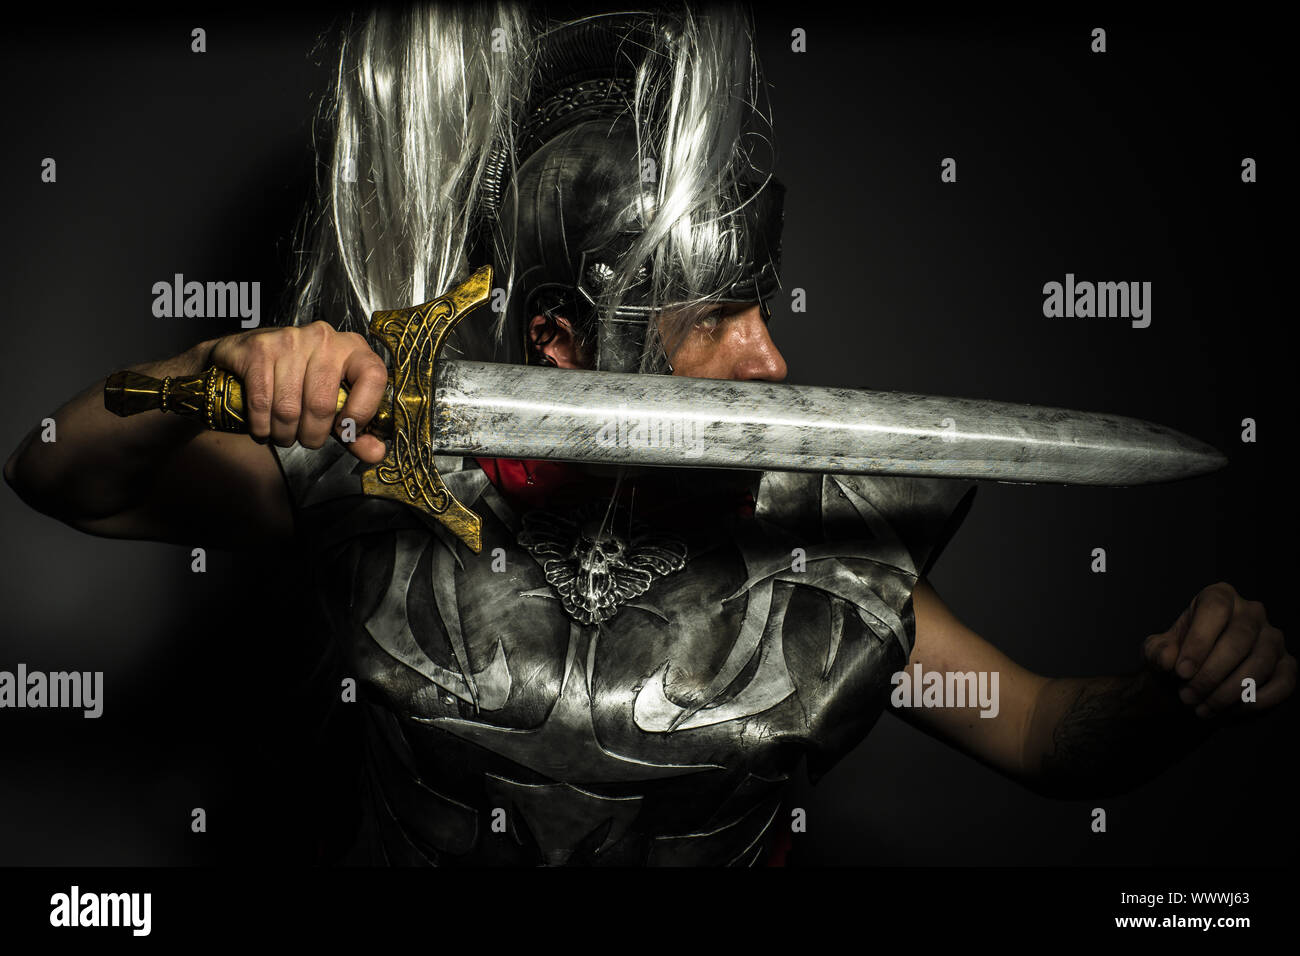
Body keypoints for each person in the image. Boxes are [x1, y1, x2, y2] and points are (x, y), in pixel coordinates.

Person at [5, 4, 1292, 866]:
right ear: (561, 341)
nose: (770, 362)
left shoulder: (815, 531)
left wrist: (1172, 699)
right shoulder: (377, 475)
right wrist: (215, 365)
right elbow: (57, 470)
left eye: (762, 308)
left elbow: (1036, 733)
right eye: (717, 321)